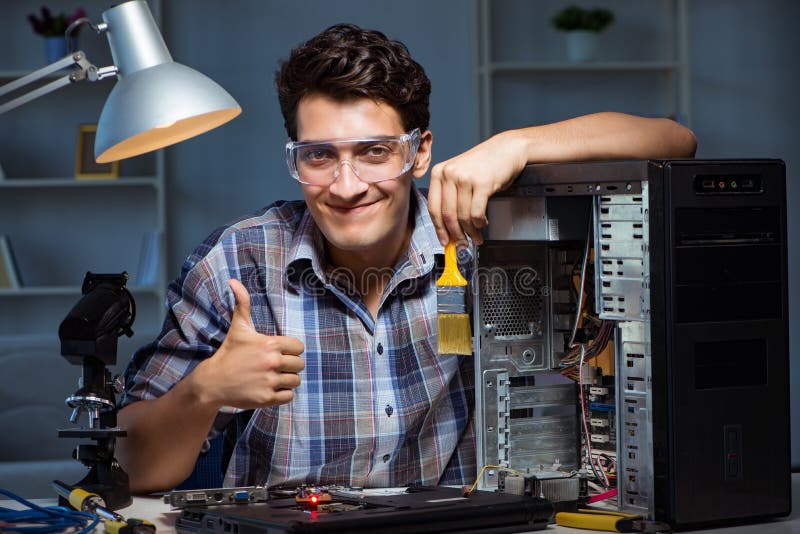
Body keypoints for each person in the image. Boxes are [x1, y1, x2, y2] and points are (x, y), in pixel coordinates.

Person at [117, 23, 696, 493]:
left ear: (419, 153)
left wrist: (516, 144)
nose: (346, 185)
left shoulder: (477, 236)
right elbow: (133, 468)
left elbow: (674, 141)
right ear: (293, 158)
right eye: (319, 156)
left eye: (374, 153)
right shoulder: (237, 263)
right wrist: (206, 390)